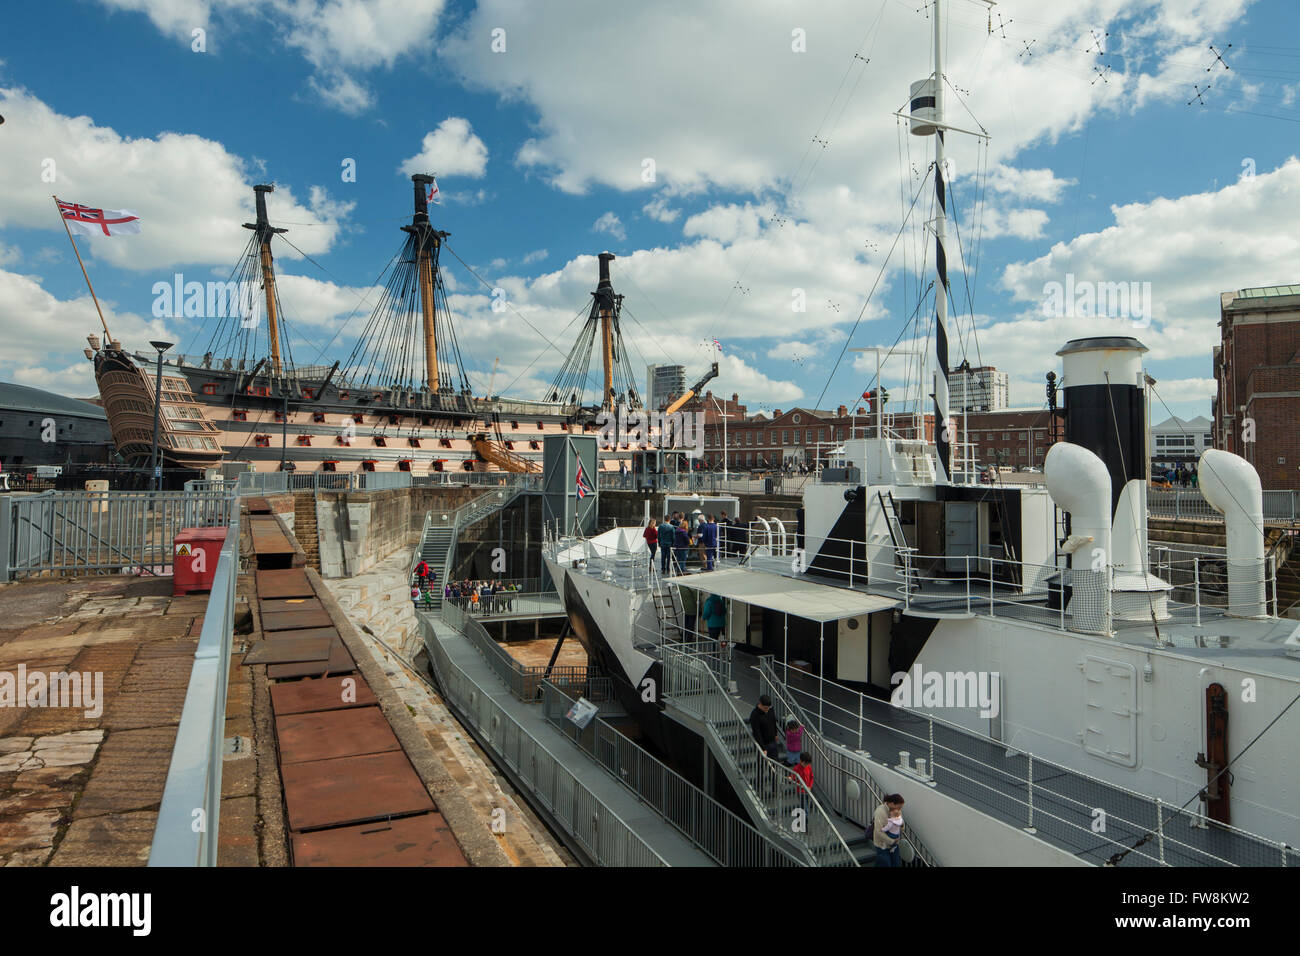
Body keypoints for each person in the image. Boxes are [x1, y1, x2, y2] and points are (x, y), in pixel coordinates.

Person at [872, 794, 906, 867]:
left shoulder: (897, 810)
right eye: (899, 807)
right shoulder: (880, 812)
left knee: (896, 863)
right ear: (891, 804)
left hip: (894, 843)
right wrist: (891, 841)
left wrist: (902, 825)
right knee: (885, 863)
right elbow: (878, 831)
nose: (900, 809)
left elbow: (901, 823)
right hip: (882, 844)